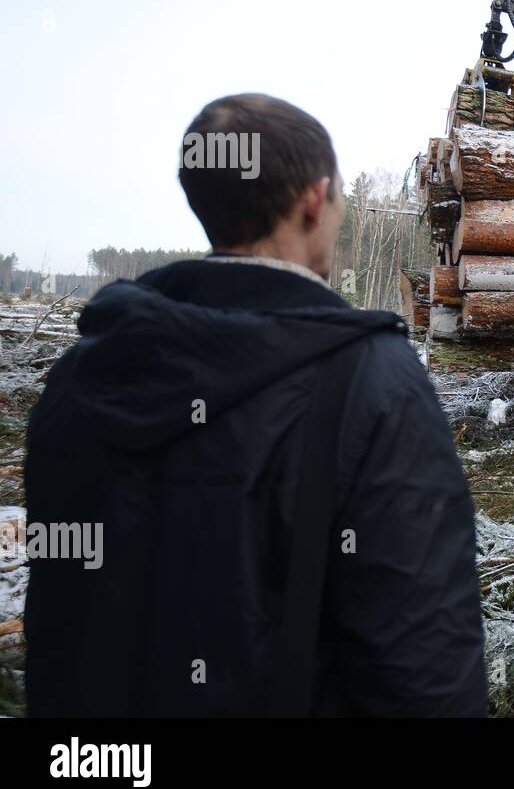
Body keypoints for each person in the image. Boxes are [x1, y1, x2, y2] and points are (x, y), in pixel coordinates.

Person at [24, 93, 486, 716]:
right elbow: (425, 670)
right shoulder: (373, 384)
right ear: (314, 201)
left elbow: (61, 626)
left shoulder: (84, 375)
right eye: (341, 197)